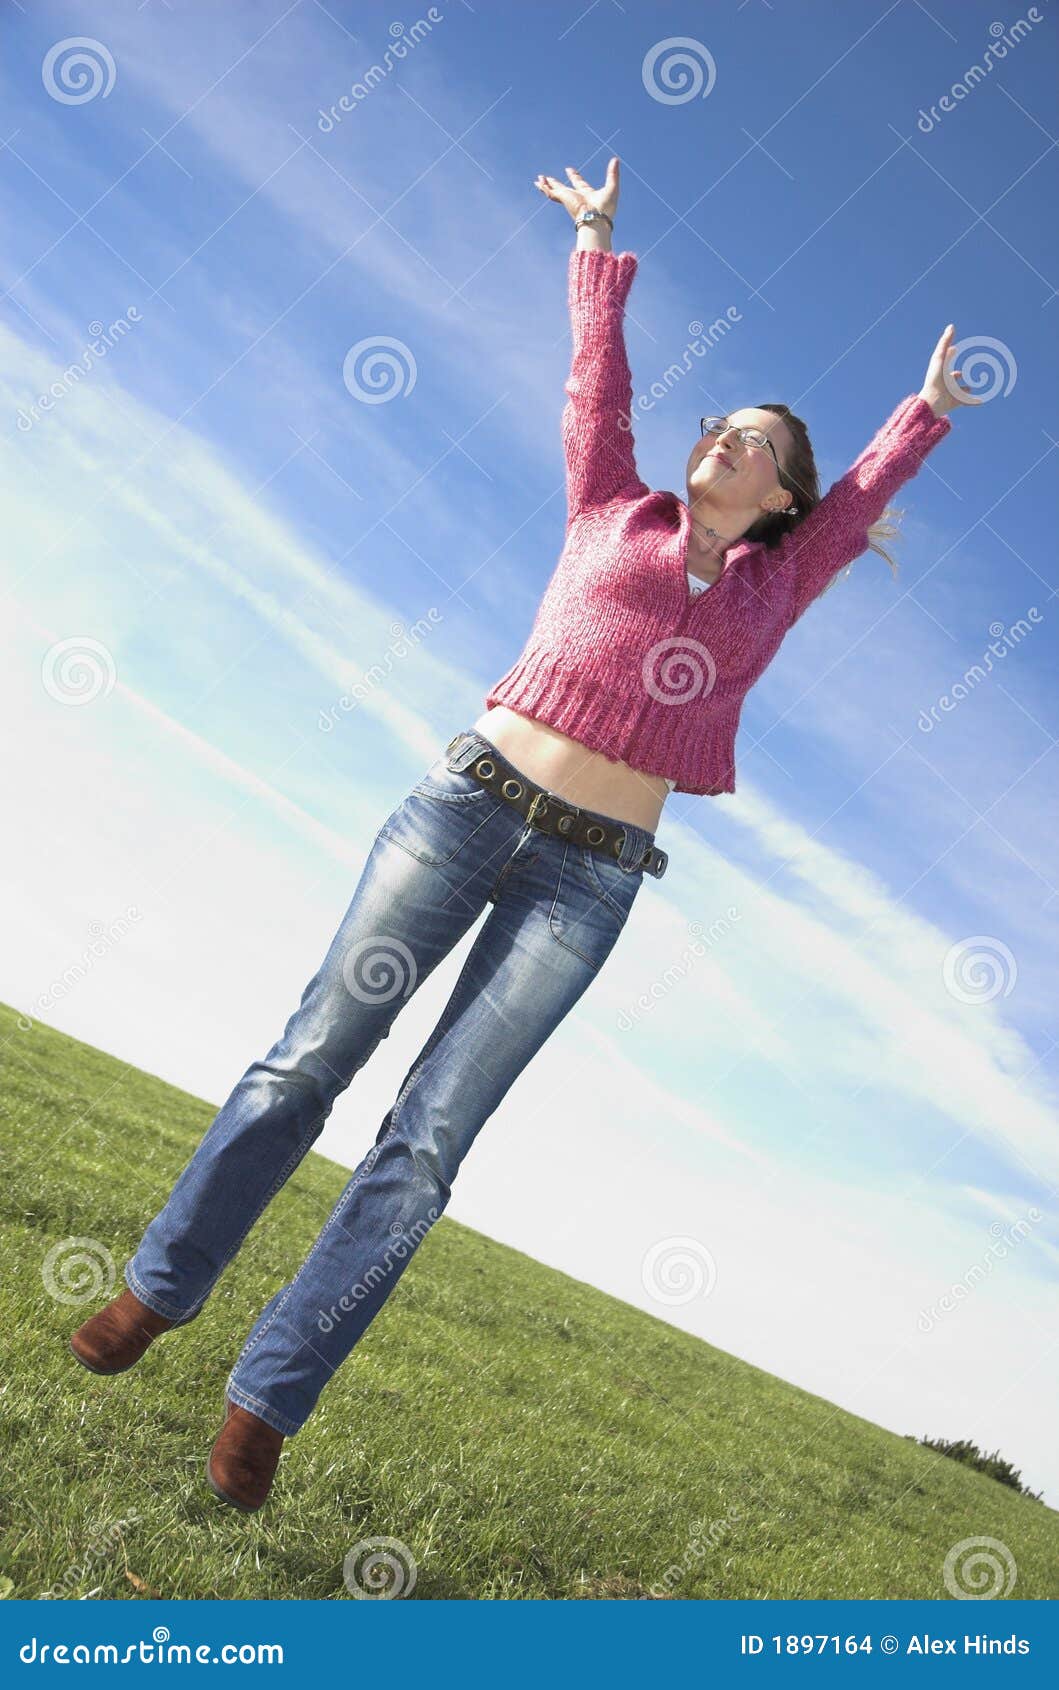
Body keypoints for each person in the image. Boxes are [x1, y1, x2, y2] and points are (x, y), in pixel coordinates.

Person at [70, 157, 975, 1511]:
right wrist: (598, 245)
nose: (725, 441)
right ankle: (159, 1287)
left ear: (786, 495)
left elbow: (853, 511)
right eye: (721, 425)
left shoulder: (779, 585)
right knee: (310, 1057)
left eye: (757, 445)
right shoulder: (610, 500)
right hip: (469, 806)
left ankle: (266, 1400)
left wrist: (925, 415)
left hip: (587, 882)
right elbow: (595, 383)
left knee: (428, 1144)